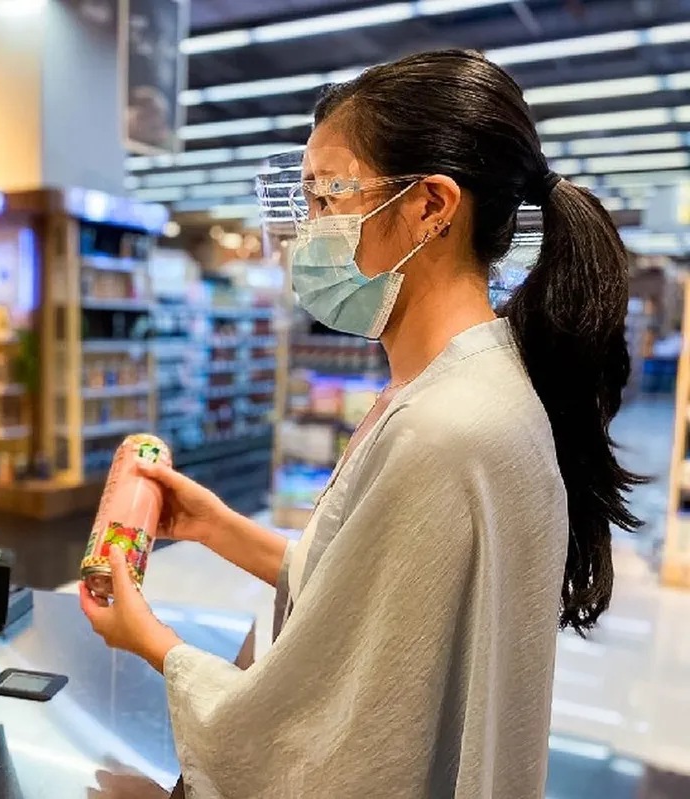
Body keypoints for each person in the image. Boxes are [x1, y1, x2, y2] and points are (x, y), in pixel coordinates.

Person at [81, 49, 642, 798]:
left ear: (430, 206)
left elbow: (331, 745)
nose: (306, 235)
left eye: (328, 198)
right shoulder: (460, 384)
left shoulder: (449, 426)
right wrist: (221, 527)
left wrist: (149, 639)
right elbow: (380, 600)